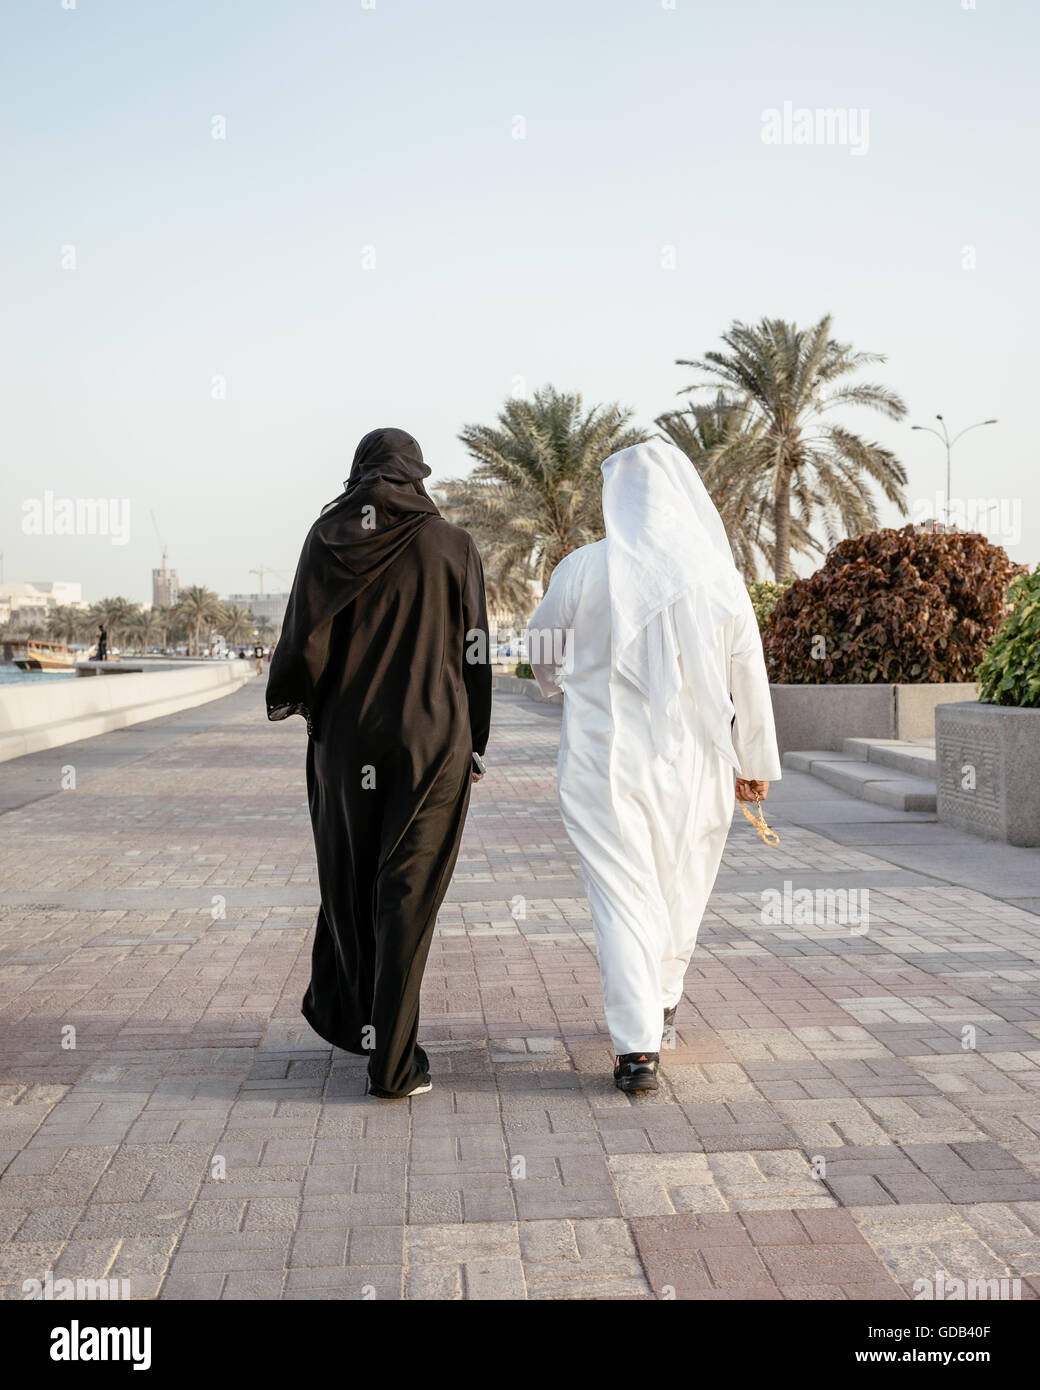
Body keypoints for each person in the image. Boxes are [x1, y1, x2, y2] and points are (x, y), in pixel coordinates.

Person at [528, 440, 781, 1094]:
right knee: (679, 884)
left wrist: (558, 683)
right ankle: (657, 1003)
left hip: (601, 764)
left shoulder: (583, 568)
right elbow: (748, 675)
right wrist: (754, 761)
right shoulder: (717, 577)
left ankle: (639, 1044)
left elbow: (543, 651)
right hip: (697, 766)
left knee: (624, 894)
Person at [266, 428, 492, 1099]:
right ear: (417, 473)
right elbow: (475, 650)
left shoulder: (328, 537)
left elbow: (302, 644)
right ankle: (392, 1060)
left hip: (346, 745)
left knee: (353, 876)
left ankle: (365, 1025)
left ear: (360, 471)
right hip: (432, 743)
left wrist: (316, 711)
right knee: (407, 890)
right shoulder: (452, 544)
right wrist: (476, 740)